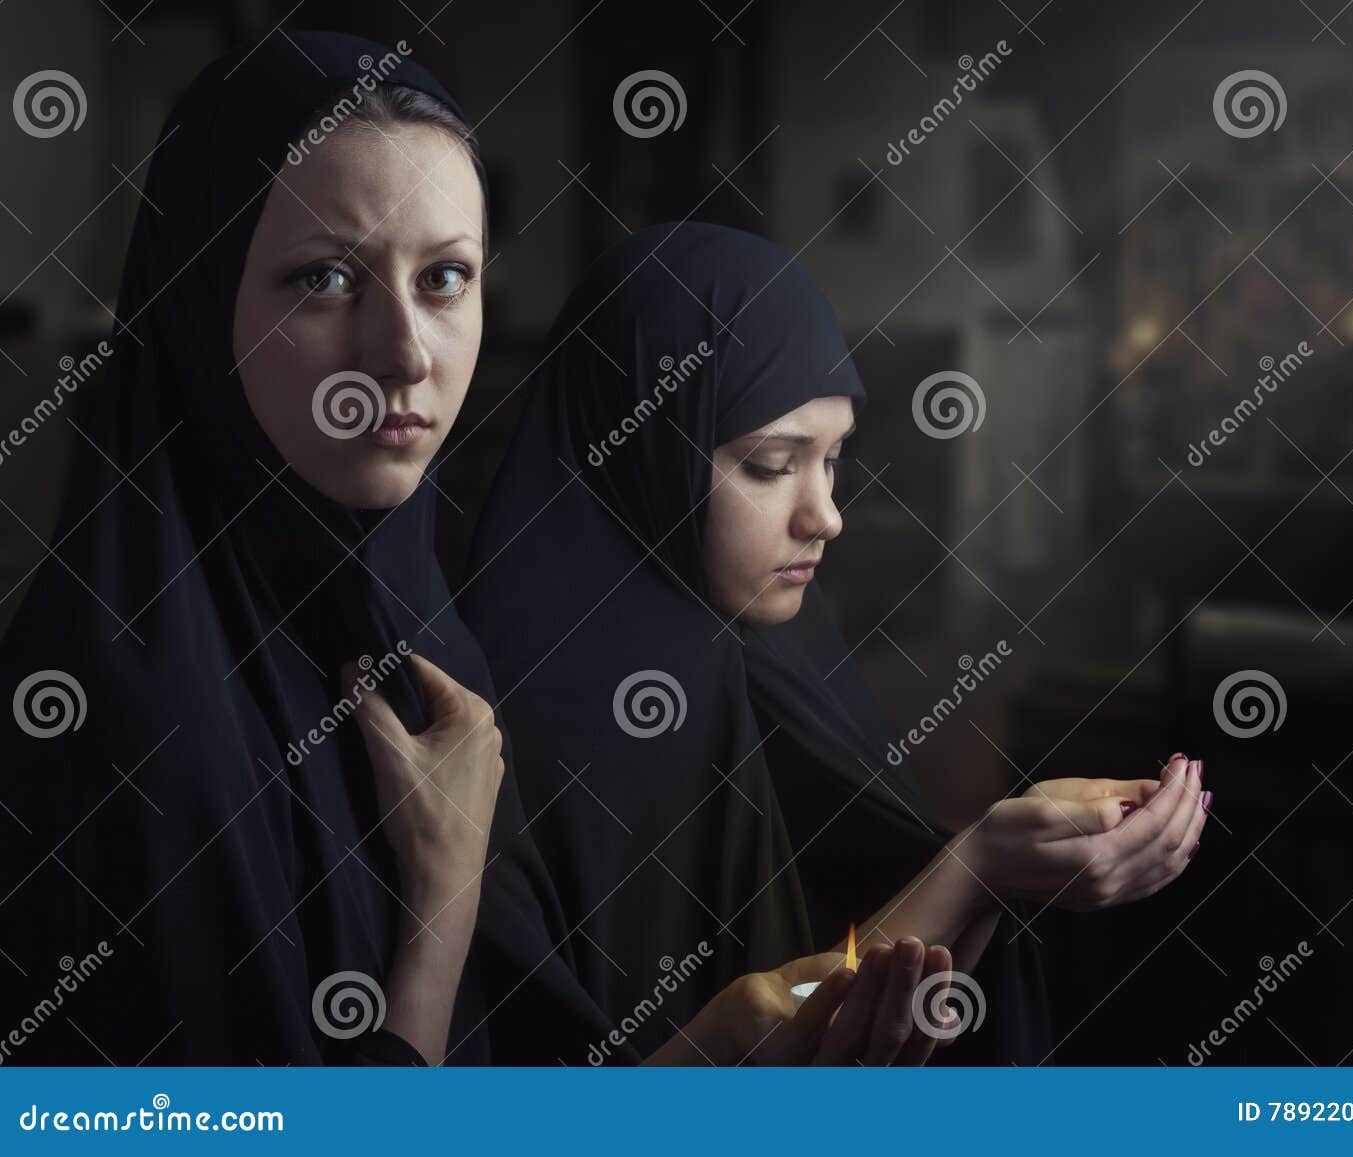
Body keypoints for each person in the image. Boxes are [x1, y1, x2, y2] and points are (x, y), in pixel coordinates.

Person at [0, 34, 944, 1068]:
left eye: (446, 277)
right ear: (199, 295)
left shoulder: (425, 646)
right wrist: (441, 899)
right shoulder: (123, 715)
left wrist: (729, 1038)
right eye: (324, 278)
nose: (405, 351)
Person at [460, 222, 1212, 1064]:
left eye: (833, 459)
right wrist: (976, 867)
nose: (826, 515)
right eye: (773, 465)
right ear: (644, 448)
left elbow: (803, 999)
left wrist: (995, 863)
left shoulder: (772, 654)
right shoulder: (525, 728)